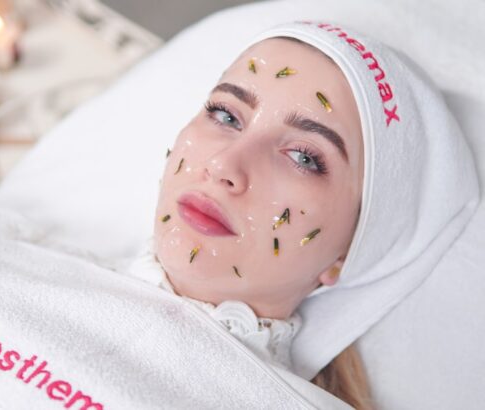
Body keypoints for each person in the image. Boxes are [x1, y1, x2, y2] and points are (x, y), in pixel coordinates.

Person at [127, 20, 480, 409]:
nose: (224, 165)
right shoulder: (66, 277)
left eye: (303, 157)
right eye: (226, 115)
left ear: (351, 250)